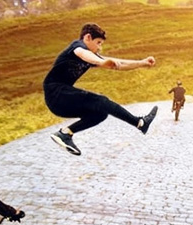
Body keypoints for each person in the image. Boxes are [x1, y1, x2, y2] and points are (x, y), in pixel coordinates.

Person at [45, 23, 158, 156]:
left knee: (100, 113)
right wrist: (101, 62)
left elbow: (119, 64)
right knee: (100, 101)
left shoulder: (91, 55)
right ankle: (139, 123)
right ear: (88, 37)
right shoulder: (77, 46)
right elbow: (83, 54)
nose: (99, 47)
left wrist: (142, 63)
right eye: (98, 43)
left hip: (61, 104)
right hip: (56, 93)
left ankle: (65, 134)